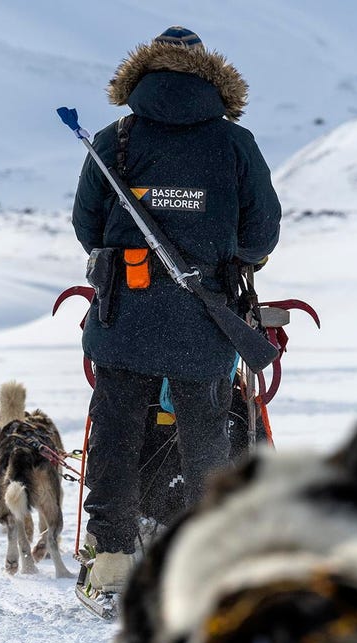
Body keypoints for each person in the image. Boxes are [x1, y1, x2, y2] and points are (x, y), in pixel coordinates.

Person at [71, 26, 281, 593]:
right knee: (207, 435)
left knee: (115, 433)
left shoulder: (115, 140)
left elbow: (87, 227)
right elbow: (261, 233)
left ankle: (113, 560)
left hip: (124, 315)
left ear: (144, 72)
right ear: (209, 73)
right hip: (206, 316)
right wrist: (227, 260)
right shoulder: (236, 144)